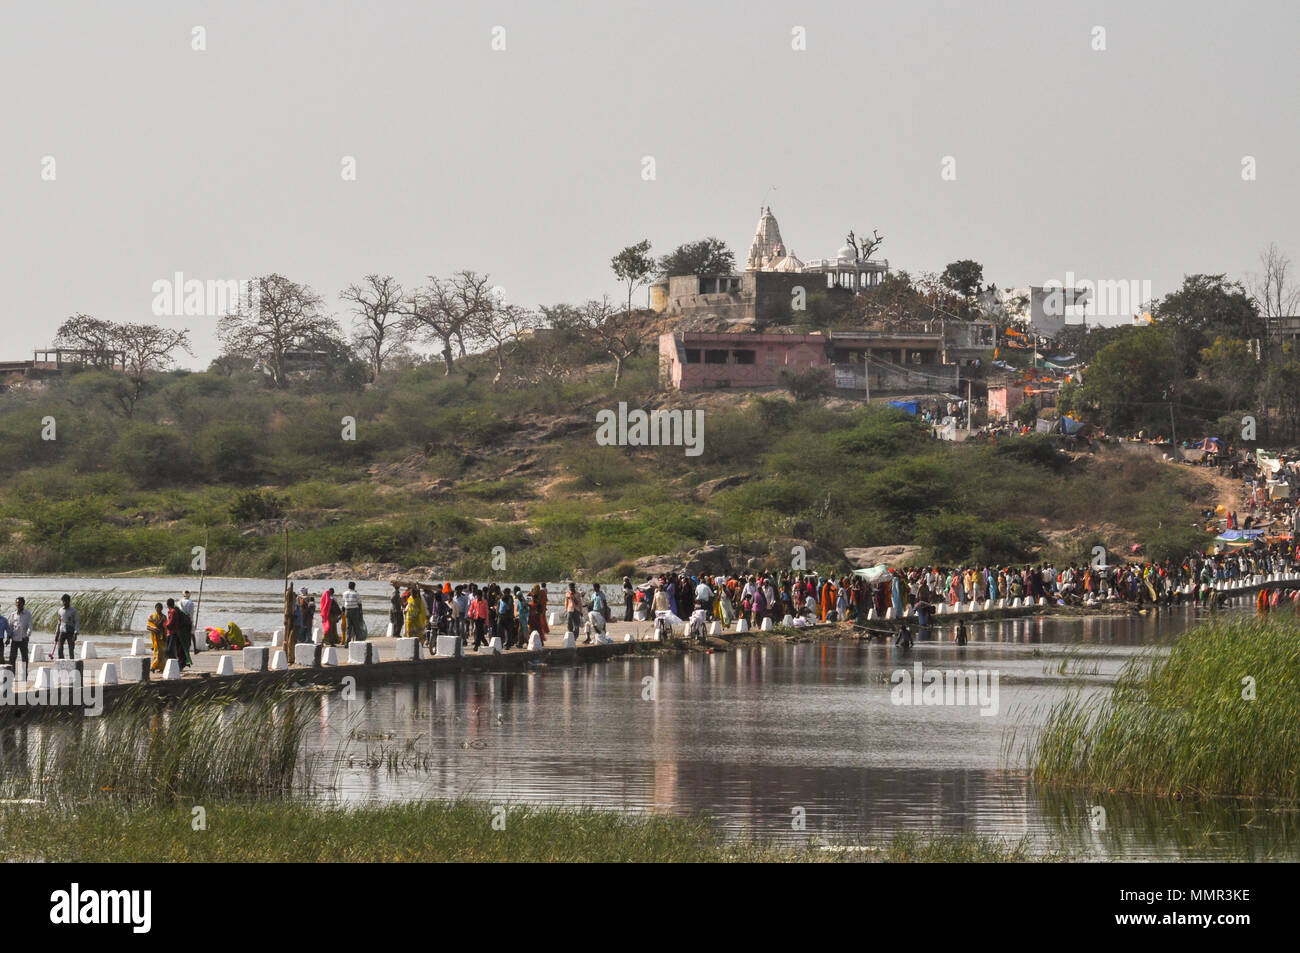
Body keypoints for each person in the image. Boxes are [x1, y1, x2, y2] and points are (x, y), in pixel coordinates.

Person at [7, 597, 32, 682]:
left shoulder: (27, 614)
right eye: (17, 603)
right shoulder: (12, 615)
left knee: (24, 658)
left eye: (20, 603)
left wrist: (27, 635)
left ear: (23, 603)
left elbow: (30, 626)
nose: (18, 604)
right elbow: (9, 627)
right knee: (12, 658)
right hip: (14, 640)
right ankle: (12, 676)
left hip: (23, 640)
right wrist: (8, 637)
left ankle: (24, 676)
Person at [55, 594, 79, 660]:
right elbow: (59, 622)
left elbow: (77, 622)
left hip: (70, 632)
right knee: (59, 648)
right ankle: (61, 661)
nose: (64, 603)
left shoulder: (73, 611)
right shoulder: (60, 610)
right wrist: (57, 633)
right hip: (62, 631)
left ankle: (72, 662)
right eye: (63, 601)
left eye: (66, 601)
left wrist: (76, 633)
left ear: (69, 601)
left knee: (71, 648)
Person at [146, 602, 167, 673]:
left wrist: (165, 636)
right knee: (157, 652)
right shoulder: (152, 617)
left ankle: (157, 667)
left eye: (159, 607)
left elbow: (165, 628)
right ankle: (154, 667)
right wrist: (154, 630)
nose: (158, 609)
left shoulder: (164, 617)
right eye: (157, 607)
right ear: (155, 608)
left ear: (162, 608)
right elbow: (148, 627)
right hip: (155, 637)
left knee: (162, 652)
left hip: (162, 637)